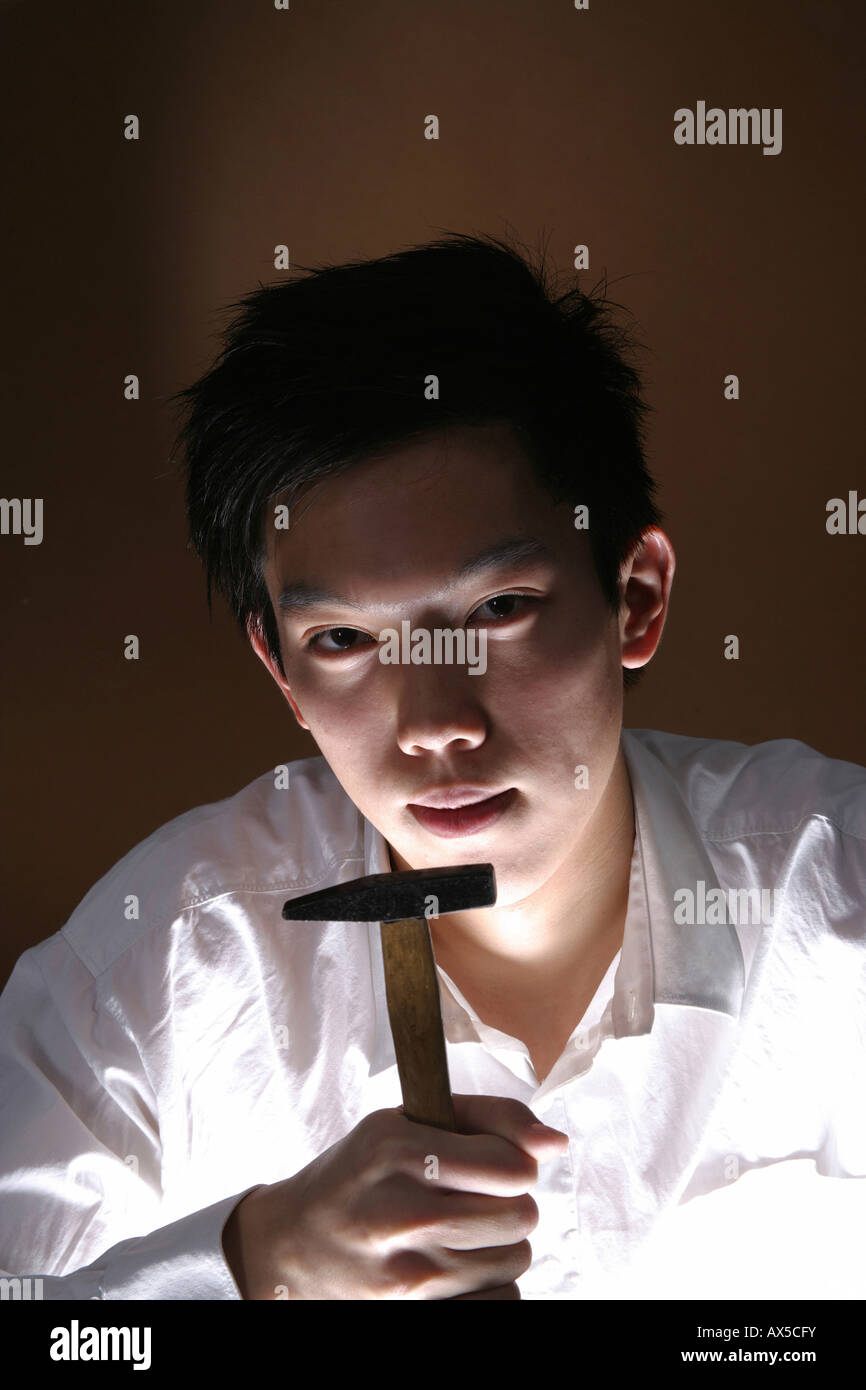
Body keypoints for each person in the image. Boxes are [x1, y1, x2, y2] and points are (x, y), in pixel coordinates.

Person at [1, 234, 864, 1301]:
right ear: (277, 665)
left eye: (496, 610)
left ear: (633, 597)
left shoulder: (840, 906)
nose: (433, 724)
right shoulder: (158, 971)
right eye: (345, 643)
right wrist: (250, 1261)